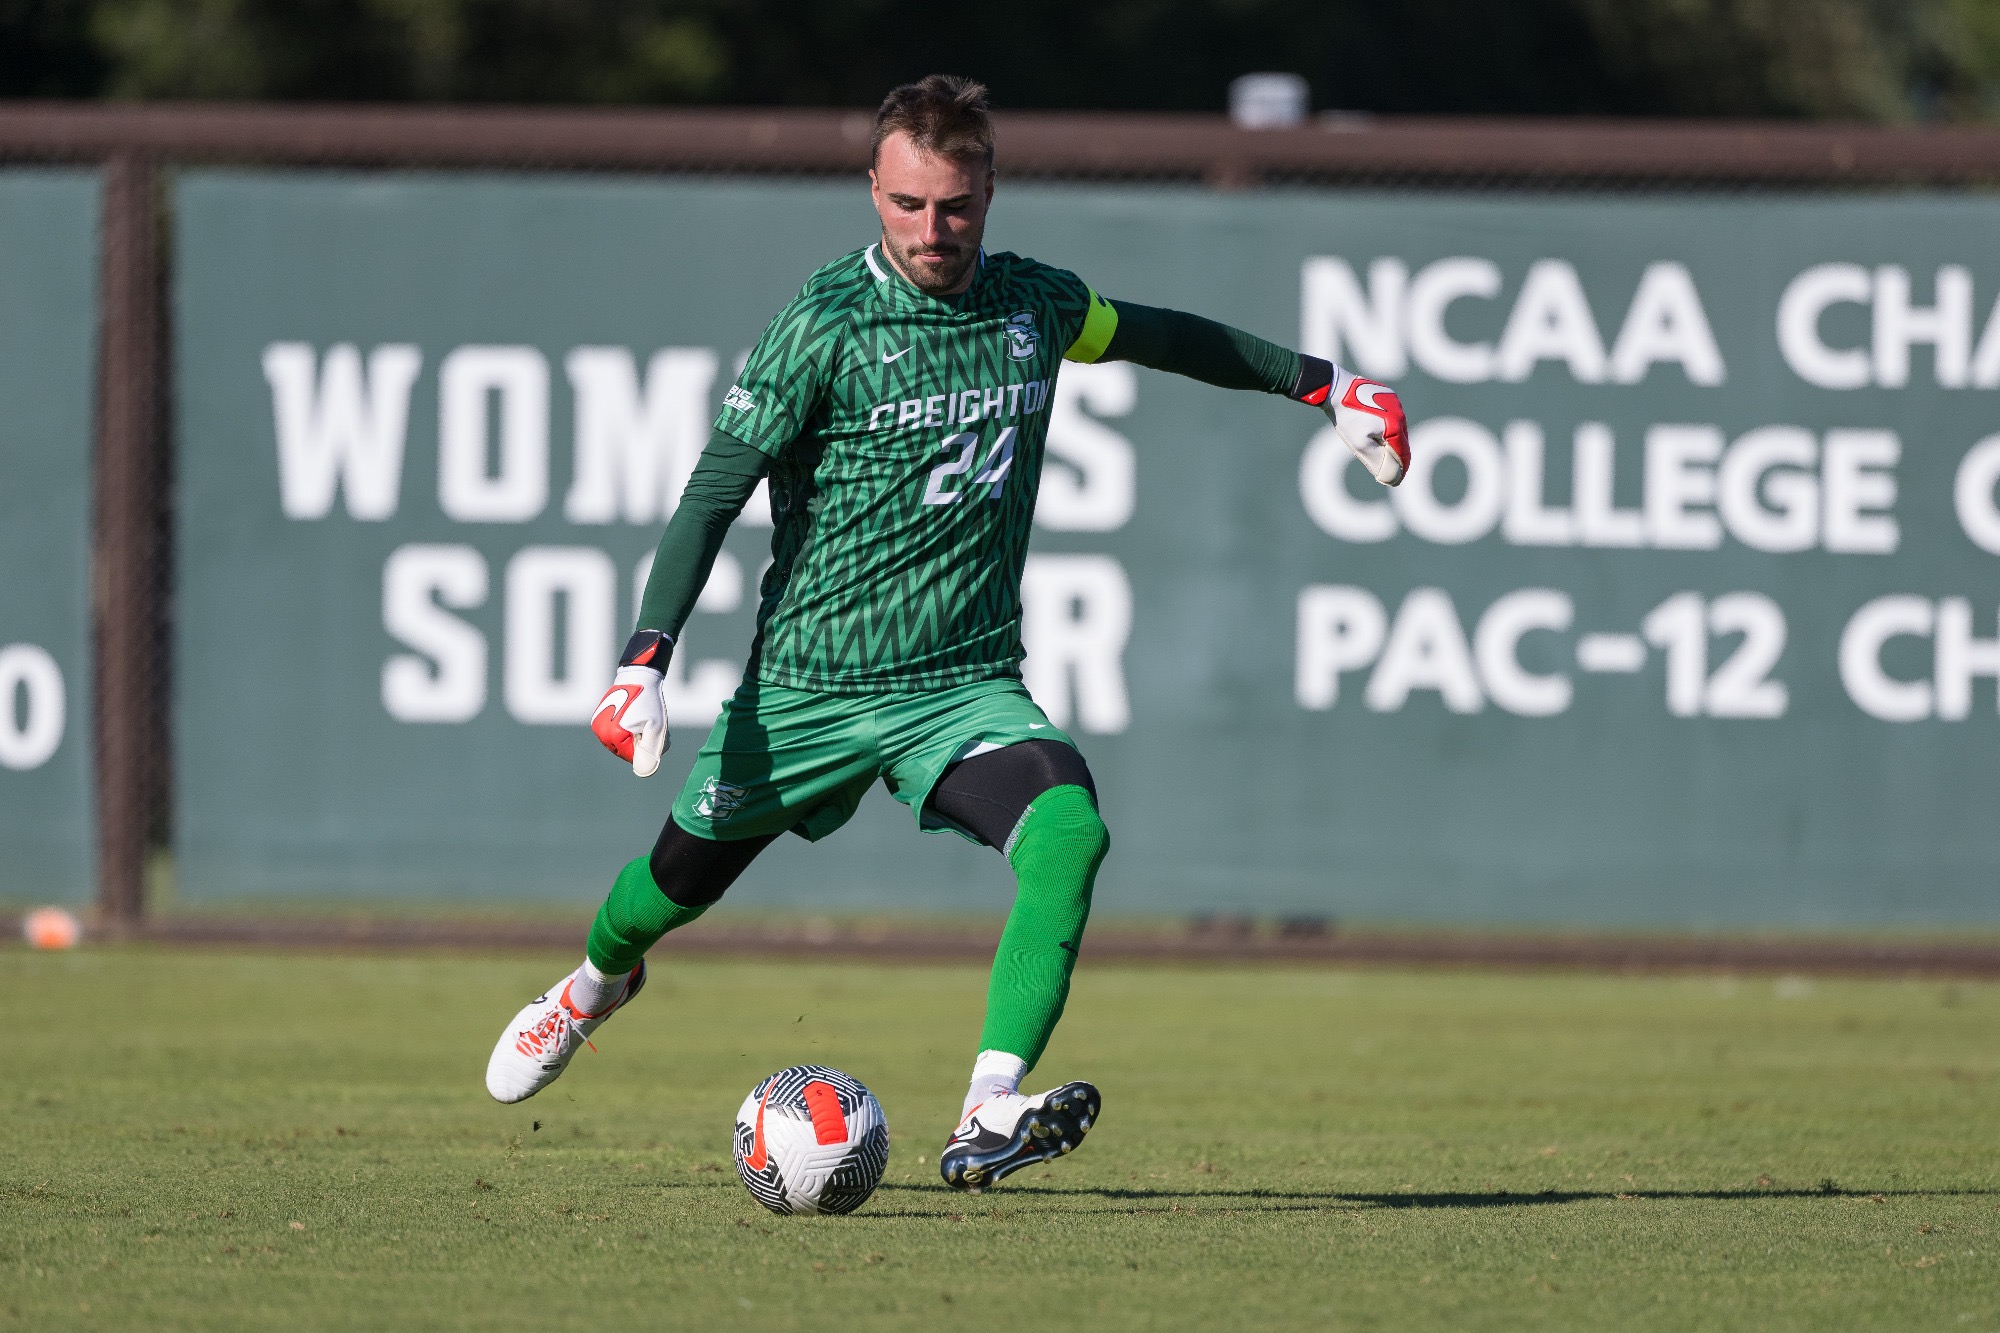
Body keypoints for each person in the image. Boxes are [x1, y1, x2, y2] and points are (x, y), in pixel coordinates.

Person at [484, 74, 1408, 1194]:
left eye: (956, 205)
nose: (933, 229)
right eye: (909, 204)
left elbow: (1161, 335)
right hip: (809, 686)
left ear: (989, 192)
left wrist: (1324, 385)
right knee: (665, 889)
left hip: (959, 684)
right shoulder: (824, 323)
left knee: (1067, 831)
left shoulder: (1035, 305)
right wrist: (645, 658)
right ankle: (590, 989)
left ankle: (987, 1109)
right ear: (873, 191)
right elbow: (714, 492)